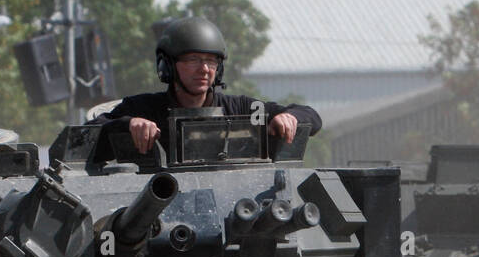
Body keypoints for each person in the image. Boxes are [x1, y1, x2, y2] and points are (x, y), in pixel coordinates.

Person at [88, 17, 321, 156]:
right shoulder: (143, 108)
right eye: (192, 60)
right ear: (168, 66)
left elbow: (311, 116)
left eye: (211, 61)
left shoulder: (239, 108)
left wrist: (289, 117)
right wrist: (128, 124)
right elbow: (85, 137)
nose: (204, 69)